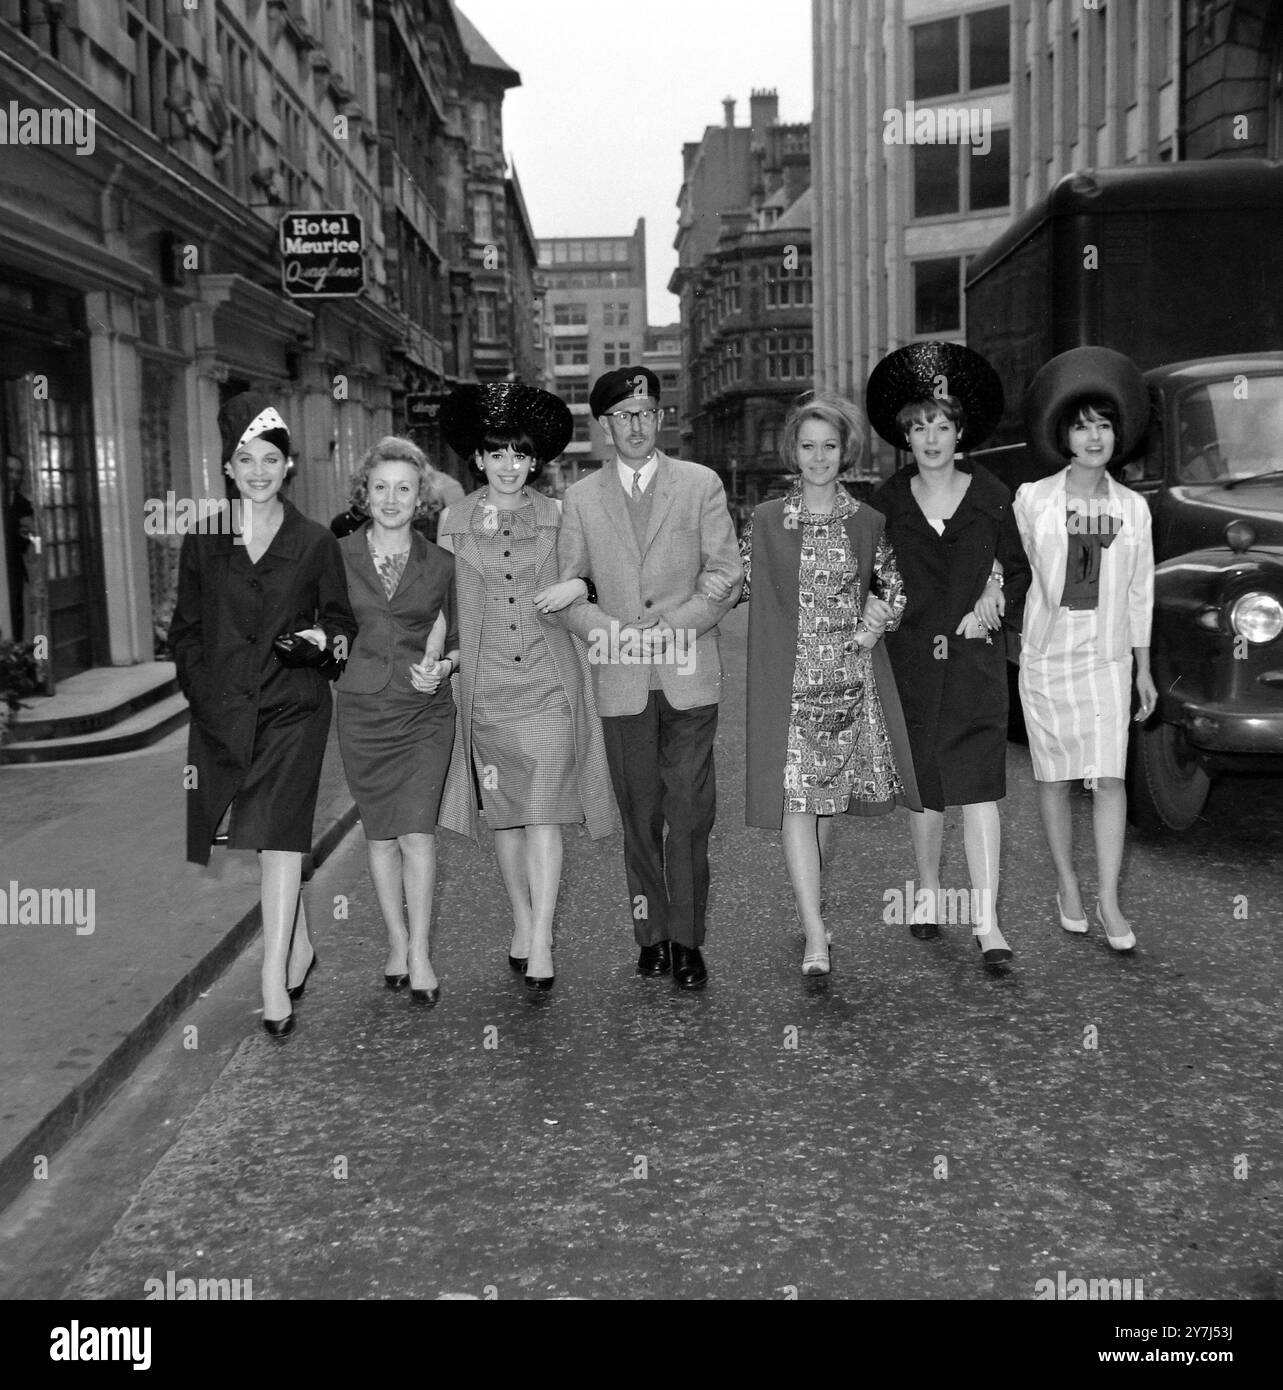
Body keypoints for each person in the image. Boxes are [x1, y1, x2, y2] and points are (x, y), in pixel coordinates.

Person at [169, 392, 357, 1038]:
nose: (257, 471)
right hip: (225, 711)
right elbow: (185, 632)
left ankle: (271, 980)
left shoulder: (313, 543)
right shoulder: (203, 539)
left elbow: (340, 625)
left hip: (294, 710)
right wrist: (205, 693)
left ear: (289, 466)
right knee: (255, 835)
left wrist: (319, 644)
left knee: (279, 838)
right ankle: (299, 947)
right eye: (244, 460)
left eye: (269, 459)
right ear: (227, 467)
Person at [552, 366, 743, 991]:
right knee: (640, 815)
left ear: (660, 419)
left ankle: (687, 940)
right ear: (604, 427)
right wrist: (610, 632)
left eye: (647, 412)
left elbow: (725, 576)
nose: (636, 425)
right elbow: (571, 591)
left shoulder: (700, 485)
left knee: (689, 812)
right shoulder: (579, 500)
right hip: (622, 679)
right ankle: (651, 934)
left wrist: (674, 626)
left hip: (688, 675)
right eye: (623, 415)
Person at [730, 393, 921, 975]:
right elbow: (731, 583)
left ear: (845, 453)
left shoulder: (867, 521)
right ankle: (814, 930)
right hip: (788, 687)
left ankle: (810, 904)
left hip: (848, 686)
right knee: (797, 802)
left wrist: (871, 627)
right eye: (808, 446)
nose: (818, 458)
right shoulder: (766, 520)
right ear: (794, 451)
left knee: (826, 808)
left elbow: (895, 591)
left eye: (829, 447)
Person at [436, 383, 616, 992]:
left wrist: (583, 588)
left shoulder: (559, 516)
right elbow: (445, 604)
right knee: (507, 818)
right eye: (497, 453)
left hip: (548, 682)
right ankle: (521, 918)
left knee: (545, 813)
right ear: (479, 460)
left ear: (534, 461)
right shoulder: (454, 520)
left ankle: (541, 941)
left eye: (520, 453)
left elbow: (594, 579)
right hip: (486, 688)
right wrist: (439, 659)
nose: (509, 464)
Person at [866, 343, 1030, 967]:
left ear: (960, 431)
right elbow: (870, 582)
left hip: (973, 658)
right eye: (918, 426)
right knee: (925, 785)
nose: (930, 437)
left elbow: (1020, 571)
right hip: (910, 660)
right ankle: (929, 893)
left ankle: (988, 921)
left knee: (981, 786)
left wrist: (996, 590)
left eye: (941, 424)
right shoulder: (884, 504)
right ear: (905, 436)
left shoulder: (993, 497)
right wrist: (873, 610)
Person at [1015, 347, 1157, 952]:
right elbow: (1015, 569)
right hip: (1049, 658)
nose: (1093, 436)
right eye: (1082, 425)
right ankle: (1068, 883)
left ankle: (1110, 899)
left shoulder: (1133, 508)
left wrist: (1144, 669)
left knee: (1108, 778)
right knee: (1052, 778)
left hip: (1105, 658)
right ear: (1064, 434)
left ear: (1116, 434)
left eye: (1103, 425)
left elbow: (1139, 591)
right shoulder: (1033, 500)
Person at [335, 436, 459, 1005]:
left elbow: (458, 639)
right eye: (380, 487)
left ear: (420, 498)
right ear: (365, 493)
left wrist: (445, 666)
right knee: (380, 836)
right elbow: (328, 629)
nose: (391, 498)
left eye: (403, 489)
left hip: (423, 712)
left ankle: (421, 952)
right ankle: (394, 939)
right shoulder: (336, 557)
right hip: (362, 711)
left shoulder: (442, 564)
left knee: (418, 833)